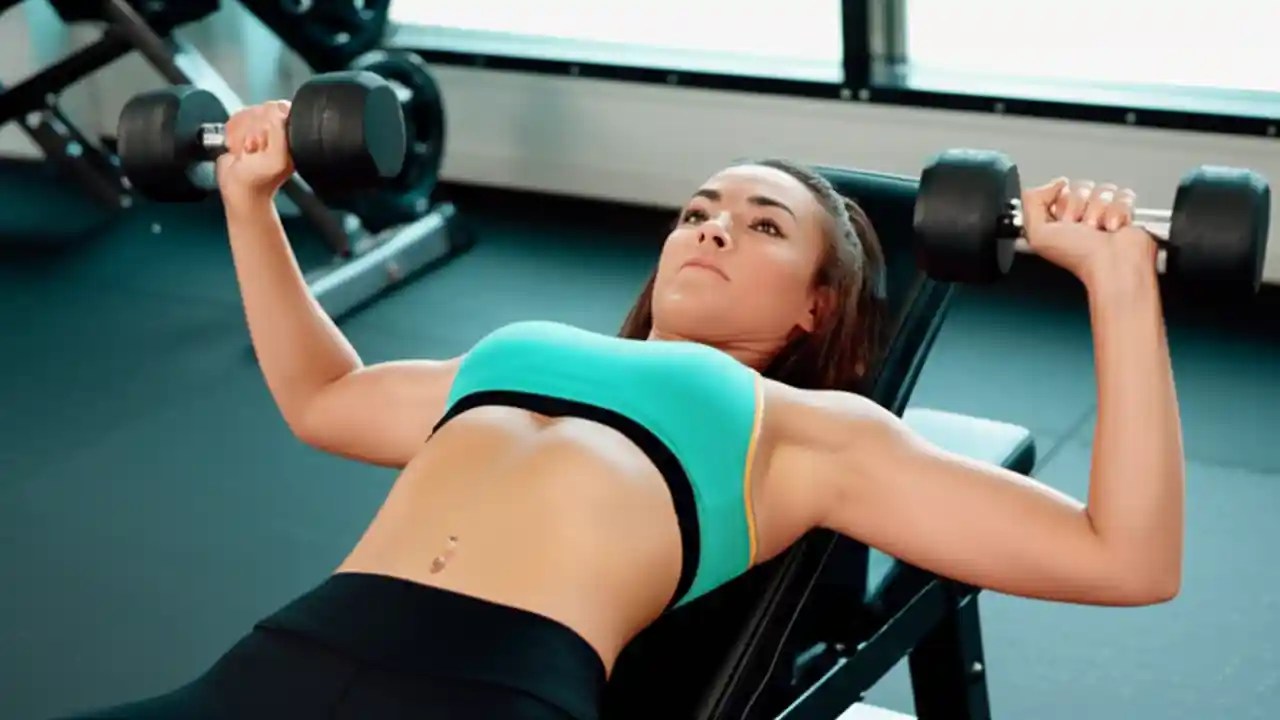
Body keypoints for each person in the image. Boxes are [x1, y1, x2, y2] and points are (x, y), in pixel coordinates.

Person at [69, 100, 1185, 720]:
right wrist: (246, 201)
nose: (711, 227)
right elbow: (324, 397)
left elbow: (1122, 557)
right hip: (273, 663)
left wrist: (1118, 281)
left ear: (810, 311)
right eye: (701, 209)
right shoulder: (526, 354)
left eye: (762, 226)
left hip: (488, 695)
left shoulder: (801, 430)